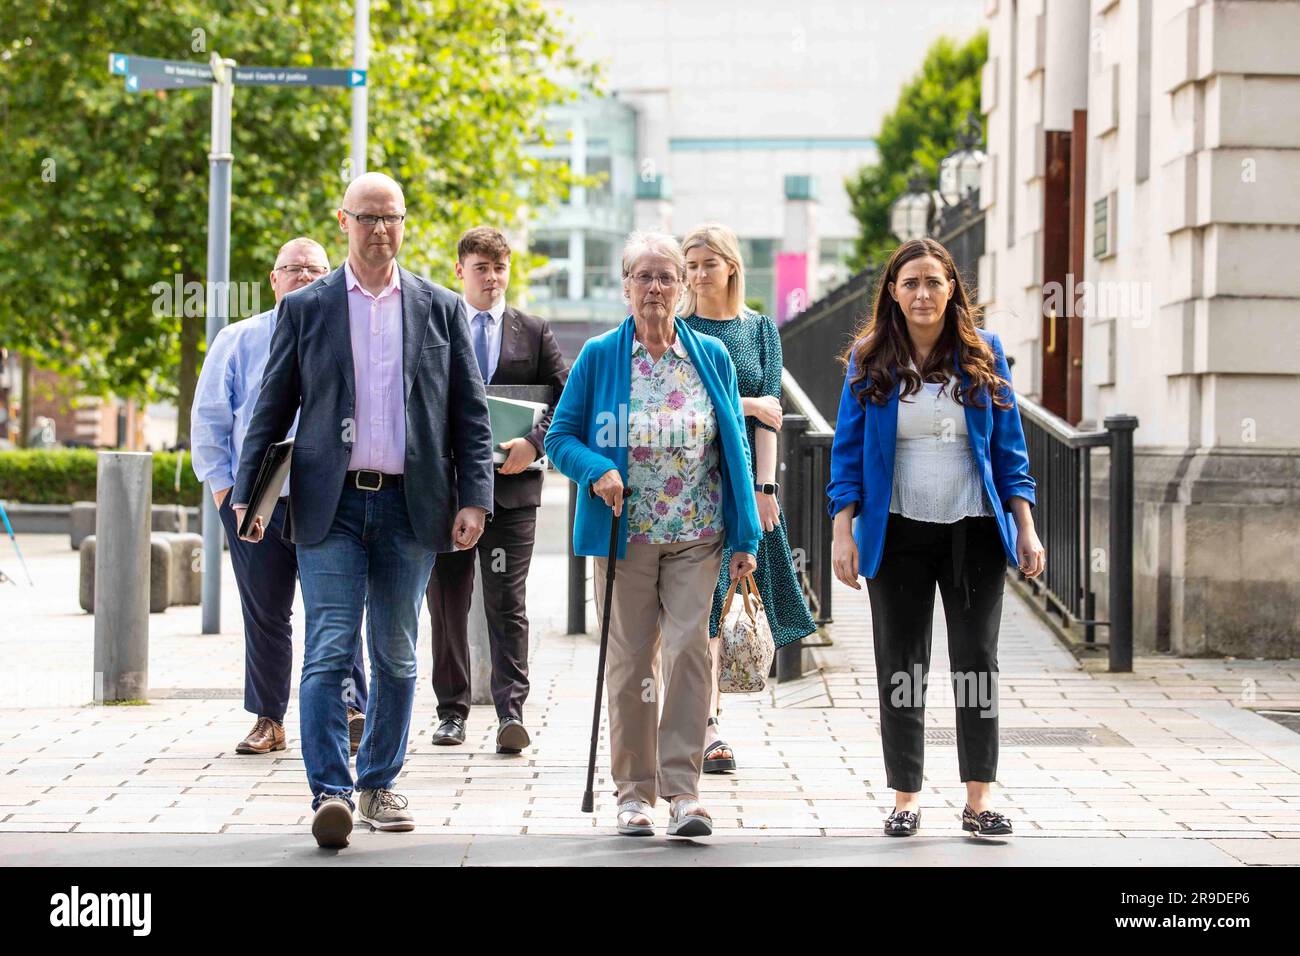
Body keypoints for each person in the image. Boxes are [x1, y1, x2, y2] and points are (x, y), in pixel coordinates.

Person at [232, 173, 495, 850]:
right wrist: (247, 493)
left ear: (404, 225)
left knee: (398, 654)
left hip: (412, 507)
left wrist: (475, 497)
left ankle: (379, 782)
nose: (380, 229)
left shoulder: (439, 309)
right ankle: (331, 793)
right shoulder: (309, 308)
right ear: (343, 221)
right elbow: (271, 408)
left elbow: (470, 414)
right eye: (367, 218)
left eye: (391, 218)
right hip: (331, 506)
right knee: (327, 648)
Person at [545, 230, 761, 838]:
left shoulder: (709, 357)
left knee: (691, 653)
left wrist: (745, 535)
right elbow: (560, 439)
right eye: (644, 276)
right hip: (625, 536)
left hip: (699, 532)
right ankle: (634, 794)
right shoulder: (598, 357)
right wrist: (599, 469)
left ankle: (684, 793)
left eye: (668, 276)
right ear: (625, 286)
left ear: (684, 284)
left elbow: (735, 449)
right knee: (633, 662)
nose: (657, 287)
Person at [826, 237, 1044, 838]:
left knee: (977, 663)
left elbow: (1010, 453)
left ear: (952, 290)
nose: (923, 294)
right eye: (910, 283)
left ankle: (980, 799)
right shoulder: (869, 359)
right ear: (893, 294)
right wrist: (844, 531)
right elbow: (846, 457)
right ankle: (905, 799)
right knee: (902, 665)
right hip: (896, 533)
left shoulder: (984, 354)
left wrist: (1024, 527)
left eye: (933, 282)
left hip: (973, 530)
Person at [190, 237, 370, 757]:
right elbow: (209, 421)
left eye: (315, 270)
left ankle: (351, 708)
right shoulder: (238, 339)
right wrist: (227, 495)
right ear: (273, 279)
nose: (304, 277)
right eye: (292, 269)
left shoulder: (349, 341)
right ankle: (269, 718)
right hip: (257, 503)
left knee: (337, 607)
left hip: (328, 498)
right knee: (266, 612)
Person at [680, 222, 817, 775]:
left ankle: (710, 719)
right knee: (703, 610)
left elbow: (772, 419)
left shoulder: (760, 329)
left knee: (738, 594)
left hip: (744, 487)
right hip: (693, 481)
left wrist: (765, 489)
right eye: (690, 265)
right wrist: (751, 403)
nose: (696, 276)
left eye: (707, 264)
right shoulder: (683, 329)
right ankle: (707, 726)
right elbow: (688, 402)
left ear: (731, 267)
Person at [425, 227, 568, 753]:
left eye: (500, 268)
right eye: (481, 267)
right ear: (460, 271)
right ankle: (452, 712)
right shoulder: (434, 324)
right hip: (446, 492)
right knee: (447, 602)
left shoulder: (532, 331)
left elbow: (567, 397)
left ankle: (511, 711)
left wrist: (536, 442)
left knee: (507, 602)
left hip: (511, 494)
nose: (492, 277)